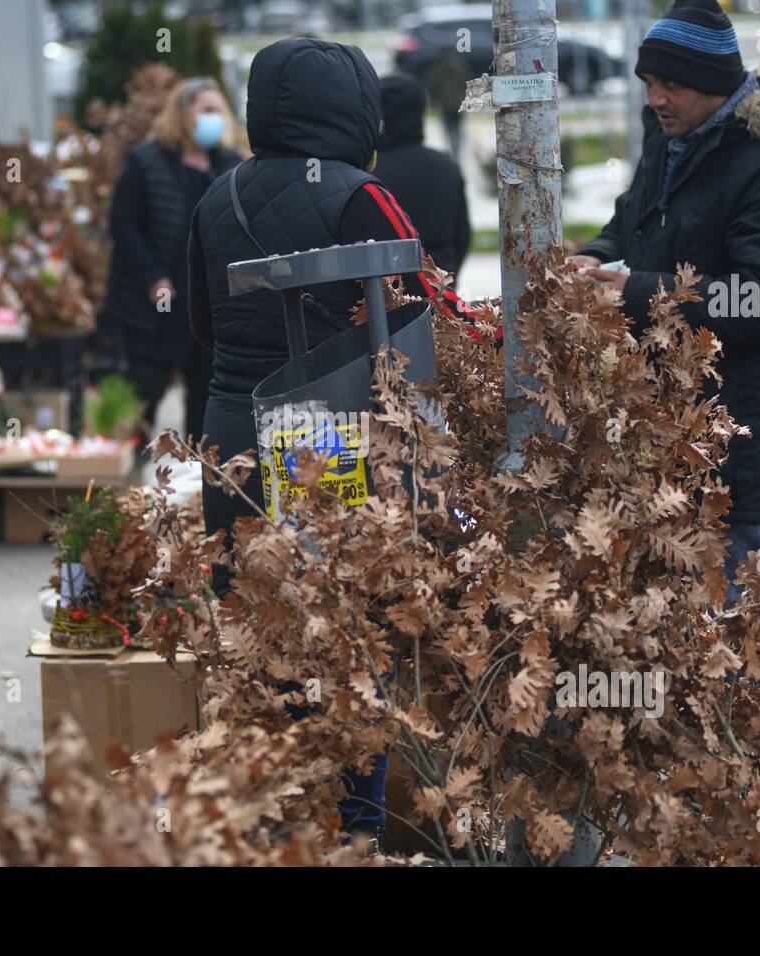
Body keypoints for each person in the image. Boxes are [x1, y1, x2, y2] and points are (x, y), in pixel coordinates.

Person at [187, 37, 471, 845]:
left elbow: (205, 328)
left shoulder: (216, 198)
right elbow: (425, 303)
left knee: (258, 636)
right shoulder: (362, 195)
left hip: (233, 441)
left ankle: (273, 833)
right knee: (350, 649)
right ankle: (352, 836)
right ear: (355, 108)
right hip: (331, 442)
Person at [569, 0, 760, 715]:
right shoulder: (675, 138)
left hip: (739, 428)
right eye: (646, 82)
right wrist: (591, 255)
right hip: (664, 423)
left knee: (750, 620)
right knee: (684, 617)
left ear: (717, 82)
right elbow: (636, 216)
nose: (654, 99)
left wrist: (634, 292)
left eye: (669, 85)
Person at [105, 77, 243, 443]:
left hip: (206, 307)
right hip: (153, 307)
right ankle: (124, 478)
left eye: (218, 110)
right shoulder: (146, 162)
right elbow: (123, 224)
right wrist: (153, 278)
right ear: (181, 115)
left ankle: (199, 485)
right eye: (205, 111)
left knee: (205, 402)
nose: (214, 118)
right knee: (142, 394)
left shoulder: (229, 164)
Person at [374, 73, 471, 277]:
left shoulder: (368, 170)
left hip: (383, 289)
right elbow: (462, 236)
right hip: (439, 285)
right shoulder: (446, 166)